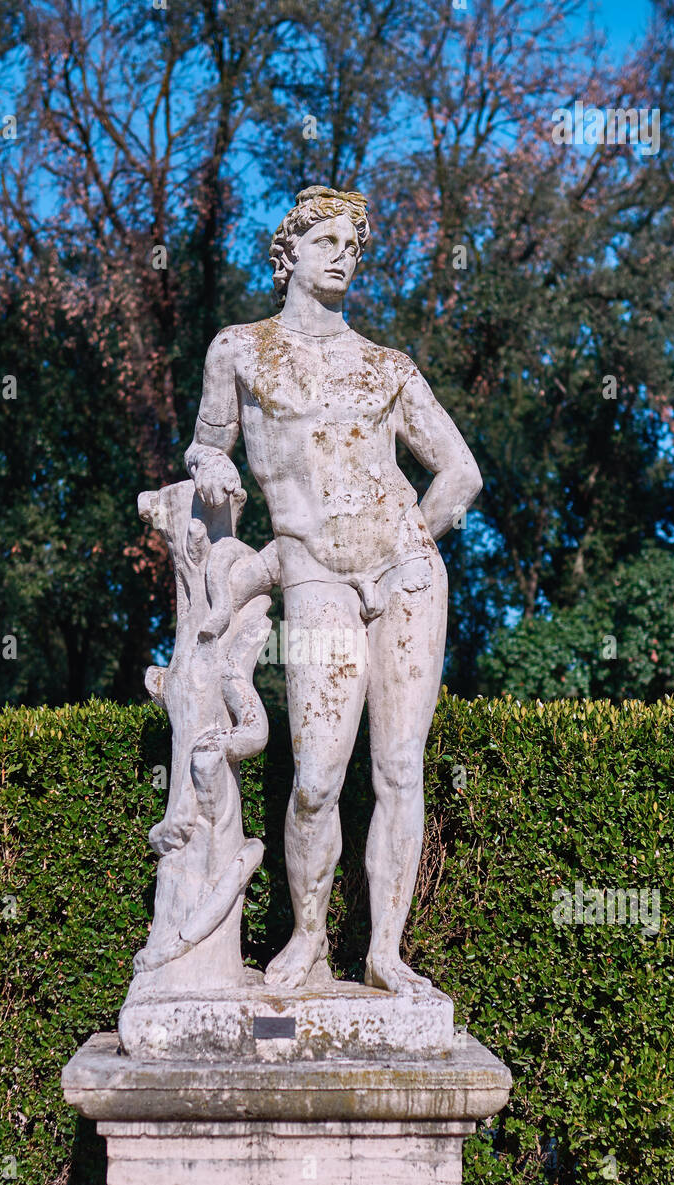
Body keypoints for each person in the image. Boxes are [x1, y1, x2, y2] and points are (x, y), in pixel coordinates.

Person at [185, 186, 482, 994]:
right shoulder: (240, 351)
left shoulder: (388, 366)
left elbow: (460, 472)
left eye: (353, 243)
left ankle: (385, 951)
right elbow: (206, 448)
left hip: (408, 570)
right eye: (325, 240)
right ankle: (308, 939)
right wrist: (209, 468)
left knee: (397, 768)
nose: (342, 253)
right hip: (312, 568)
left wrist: (411, 537)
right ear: (288, 255)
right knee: (315, 776)